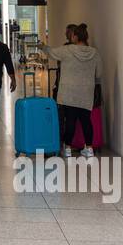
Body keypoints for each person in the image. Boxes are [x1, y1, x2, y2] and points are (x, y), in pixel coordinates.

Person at [44, 23, 102, 159]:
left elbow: (51, 52)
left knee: (70, 120)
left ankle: (68, 148)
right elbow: (99, 73)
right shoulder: (94, 52)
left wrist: (42, 47)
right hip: (86, 92)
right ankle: (89, 149)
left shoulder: (67, 50)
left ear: (75, 37)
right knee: (86, 121)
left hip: (69, 92)